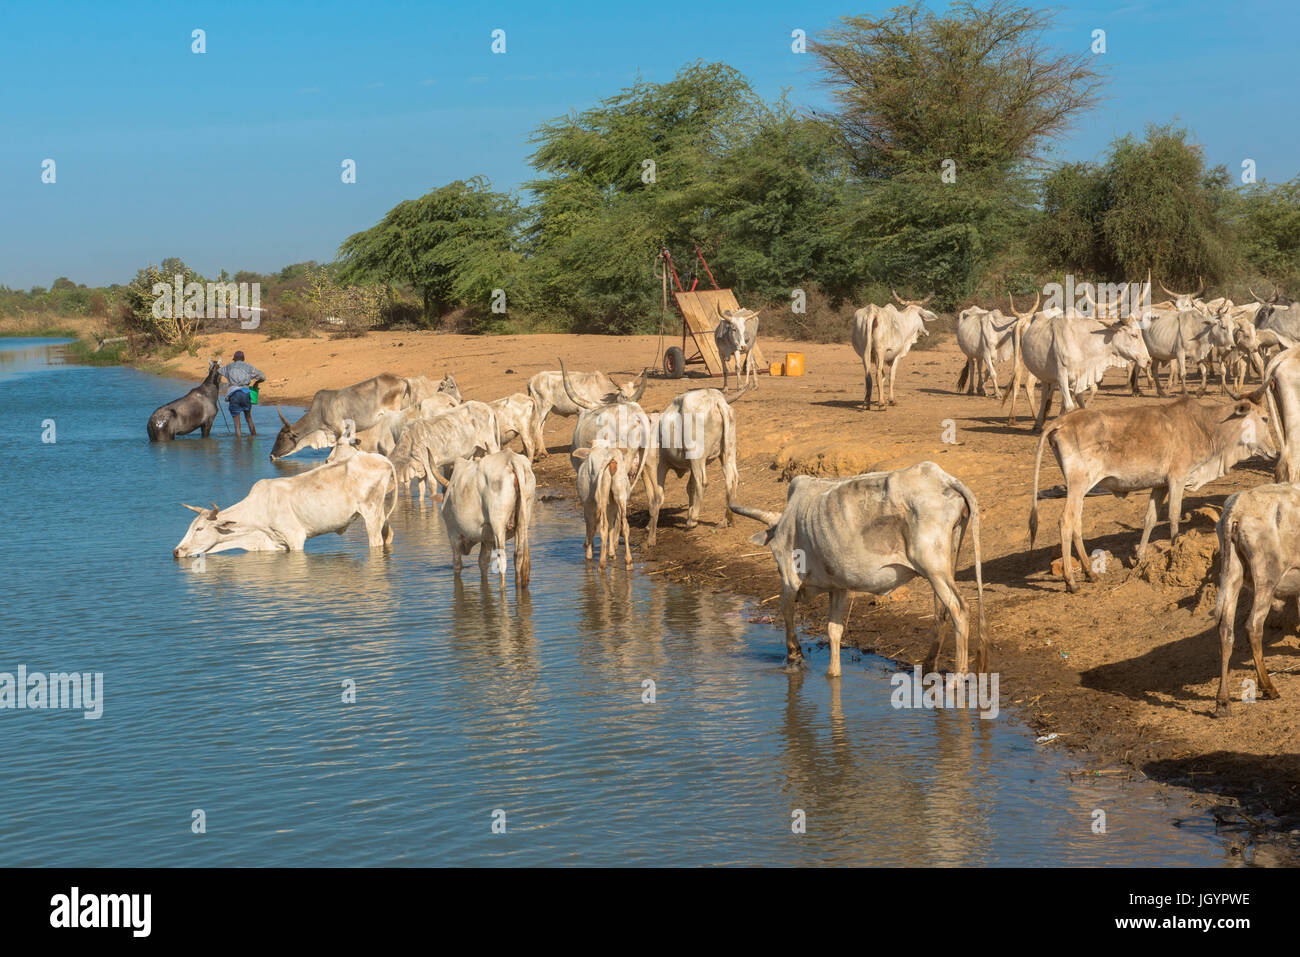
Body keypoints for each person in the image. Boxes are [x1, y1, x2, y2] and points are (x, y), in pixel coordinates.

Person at [219, 351, 265, 438]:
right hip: (245, 394)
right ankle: (254, 440)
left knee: (237, 426)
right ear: (243, 359)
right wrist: (256, 383)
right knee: (249, 419)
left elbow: (217, 371)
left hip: (234, 395)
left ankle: (238, 446)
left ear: (234, 359)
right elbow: (263, 377)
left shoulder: (228, 367)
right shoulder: (248, 367)